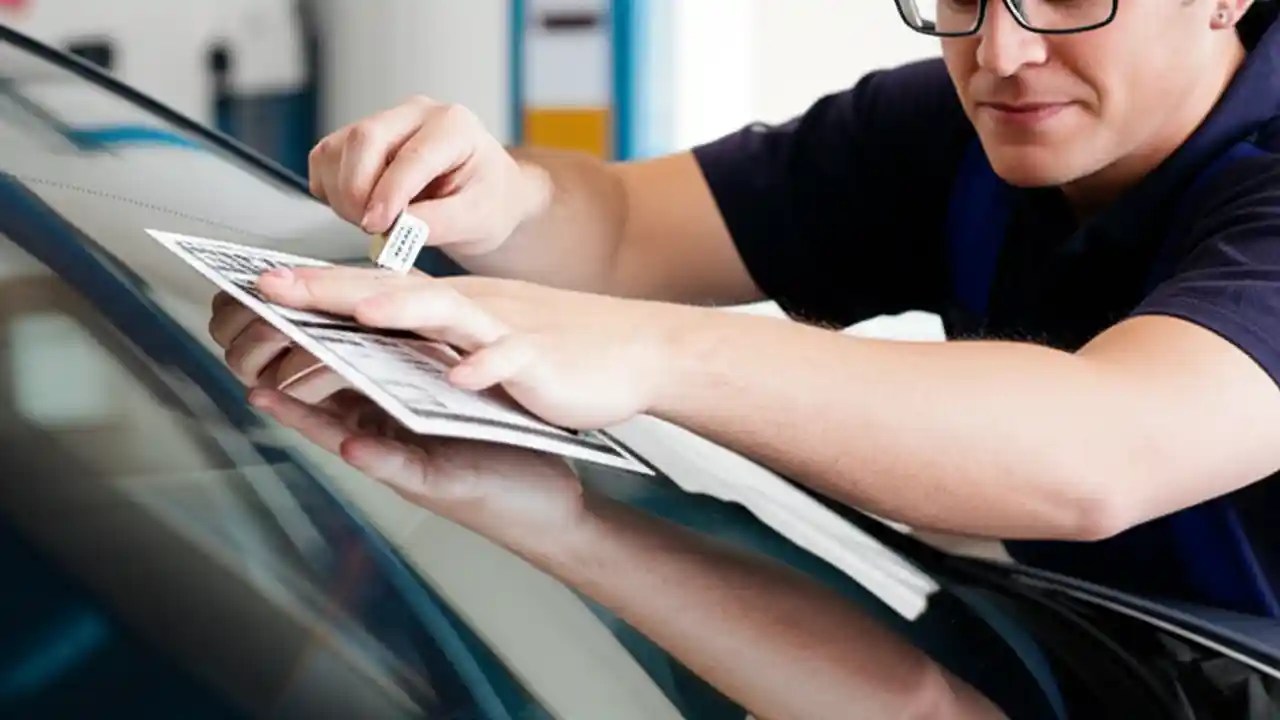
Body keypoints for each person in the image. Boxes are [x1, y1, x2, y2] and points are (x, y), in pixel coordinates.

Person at [213, 0, 1280, 633]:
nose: (997, 52)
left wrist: (645, 351)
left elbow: (1098, 452)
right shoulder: (947, 131)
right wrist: (501, 197)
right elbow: (626, 228)